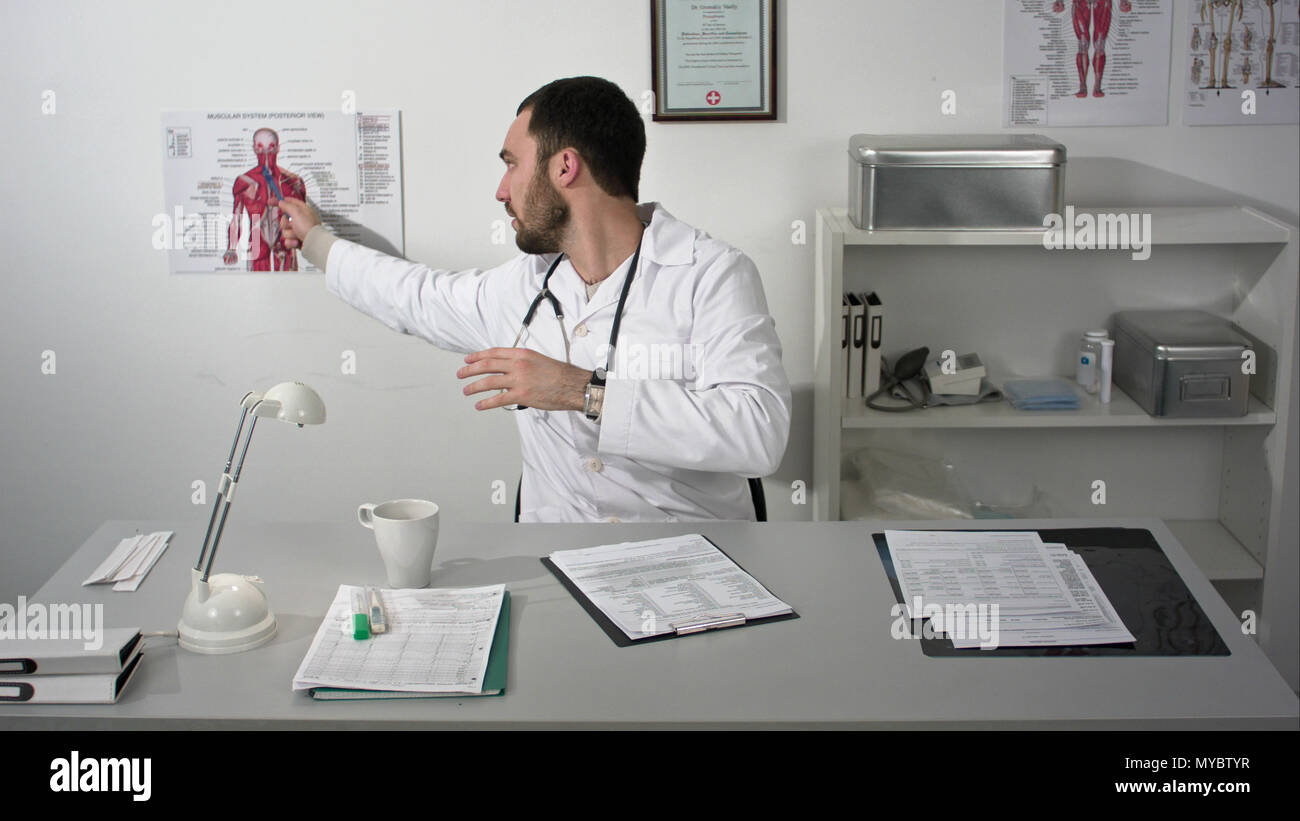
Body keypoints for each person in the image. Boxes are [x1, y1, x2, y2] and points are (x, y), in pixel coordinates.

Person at [276, 76, 791, 522]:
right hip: (563, 564)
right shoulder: (525, 287)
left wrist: (580, 391)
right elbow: (414, 295)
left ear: (564, 167)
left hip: (692, 564)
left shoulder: (713, 275)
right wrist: (319, 242)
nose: (502, 190)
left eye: (511, 164)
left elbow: (758, 432)